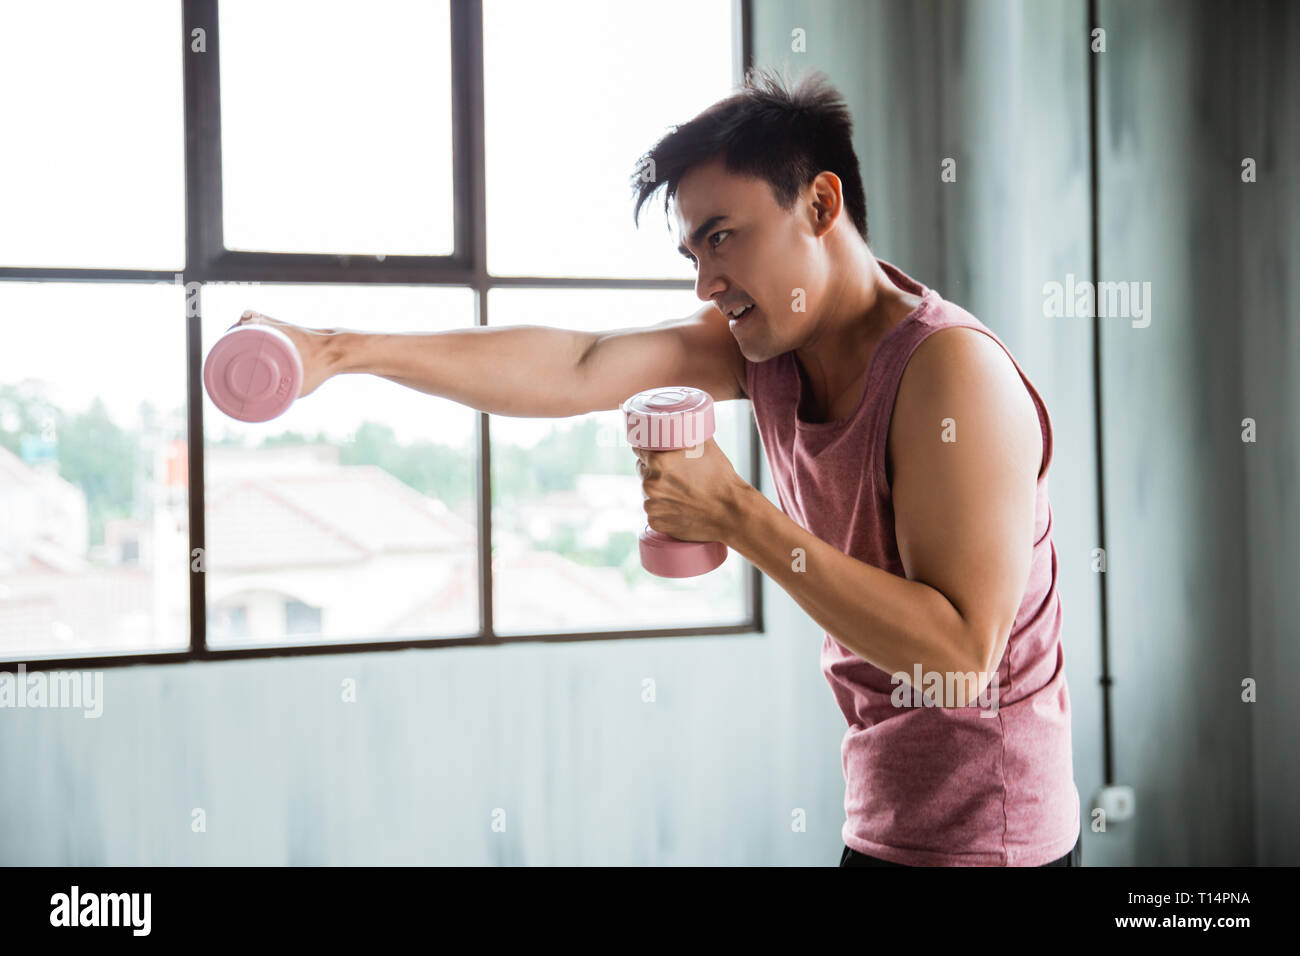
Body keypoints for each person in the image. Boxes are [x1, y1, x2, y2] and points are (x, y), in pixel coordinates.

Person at [235, 65, 1081, 867]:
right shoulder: (773, 351)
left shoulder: (950, 374)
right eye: (693, 255)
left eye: (723, 238)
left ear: (821, 203)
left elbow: (962, 657)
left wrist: (737, 517)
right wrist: (338, 352)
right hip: (889, 819)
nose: (708, 281)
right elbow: (578, 366)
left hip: (992, 842)